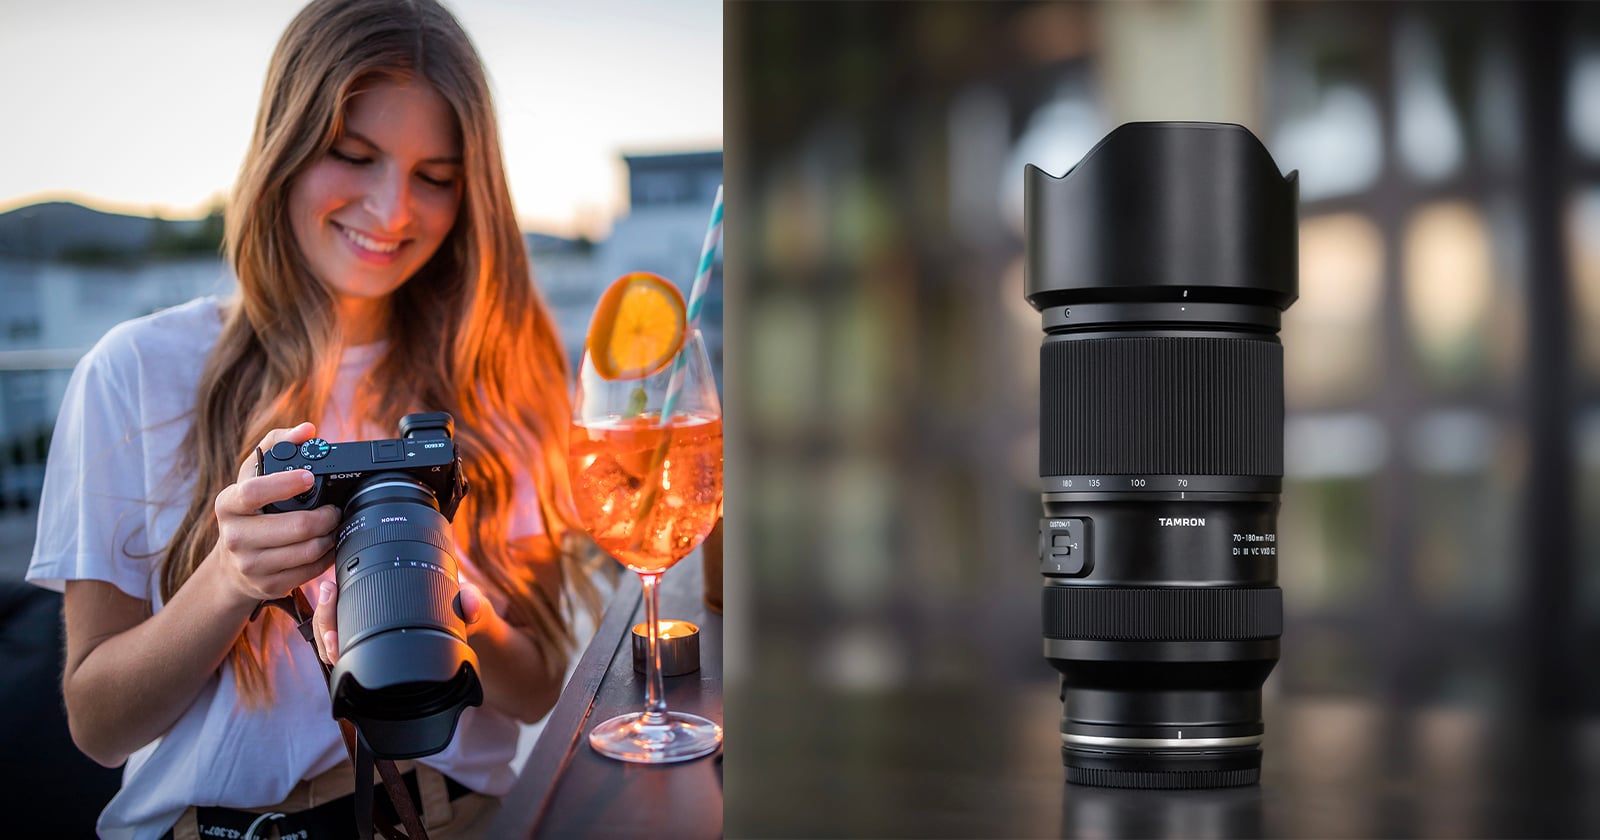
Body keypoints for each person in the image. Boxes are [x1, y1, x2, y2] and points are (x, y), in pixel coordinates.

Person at [25, 1, 602, 837]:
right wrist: (232, 578)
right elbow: (99, 725)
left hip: (451, 818)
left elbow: (539, 683)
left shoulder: (501, 371)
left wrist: (442, 601)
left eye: (436, 176)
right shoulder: (135, 372)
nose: (394, 209)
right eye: (354, 155)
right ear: (284, 149)